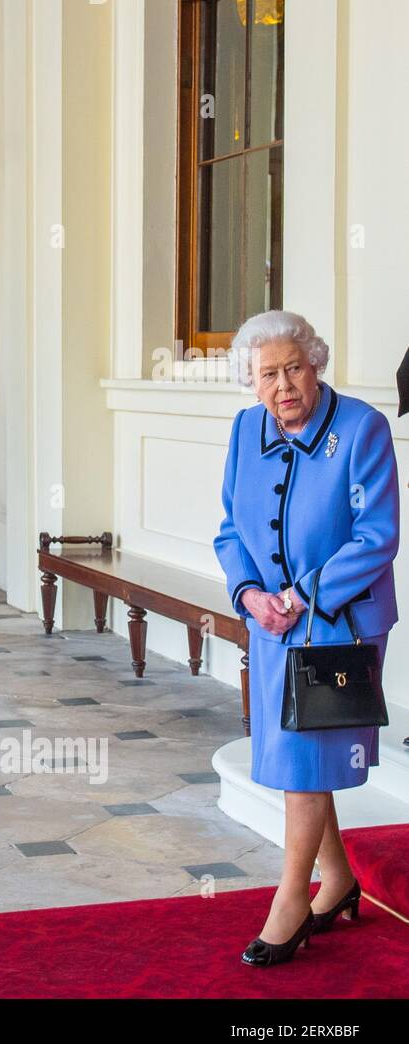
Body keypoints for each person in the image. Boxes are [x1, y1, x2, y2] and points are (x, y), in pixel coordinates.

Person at [214, 310, 399, 966]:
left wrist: (298, 596)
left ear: (316, 362)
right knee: (299, 759)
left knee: (302, 760)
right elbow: (231, 529)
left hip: (338, 628)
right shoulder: (244, 430)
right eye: (268, 373)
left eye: (294, 366)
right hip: (271, 624)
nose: (284, 384)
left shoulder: (361, 429)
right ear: (251, 381)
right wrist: (249, 594)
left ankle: (290, 901)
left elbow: (376, 537)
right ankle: (340, 879)